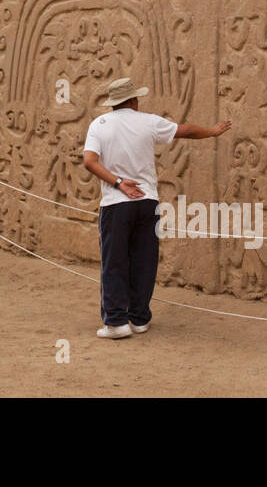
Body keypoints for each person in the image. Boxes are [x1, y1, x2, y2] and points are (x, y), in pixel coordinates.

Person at [82, 76, 232, 339]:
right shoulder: (149, 121)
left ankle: (117, 321)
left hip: (117, 203)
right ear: (134, 100)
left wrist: (118, 182)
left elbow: (89, 161)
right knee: (144, 261)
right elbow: (185, 130)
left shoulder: (99, 125)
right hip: (147, 201)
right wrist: (212, 131)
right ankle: (139, 318)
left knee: (114, 262)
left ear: (113, 103)